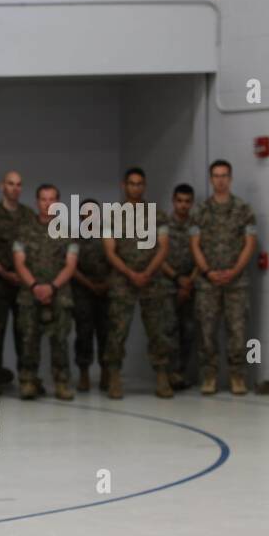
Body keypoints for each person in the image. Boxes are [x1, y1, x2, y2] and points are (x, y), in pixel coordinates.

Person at [101, 167, 176, 399]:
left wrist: (146, 273)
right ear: (124, 186)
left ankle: (163, 376)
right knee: (117, 331)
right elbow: (109, 251)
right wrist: (131, 274)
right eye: (132, 183)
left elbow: (163, 247)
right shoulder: (111, 215)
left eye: (140, 183)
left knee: (158, 331)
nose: (136, 187)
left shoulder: (158, 215)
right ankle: (114, 376)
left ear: (144, 186)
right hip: (123, 281)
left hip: (152, 281)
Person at [191, 160, 258, 395]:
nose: (220, 180)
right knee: (206, 331)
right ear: (211, 179)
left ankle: (238, 376)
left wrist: (234, 271)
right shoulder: (199, 211)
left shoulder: (244, 209)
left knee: (239, 331)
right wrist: (208, 271)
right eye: (216, 176)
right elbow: (195, 245)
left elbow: (250, 245)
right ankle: (208, 376)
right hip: (208, 282)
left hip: (236, 282)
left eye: (224, 176)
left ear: (230, 178)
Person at [12, 184, 78, 400]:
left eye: (51, 199)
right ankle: (28, 381)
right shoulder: (25, 230)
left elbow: (70, 265)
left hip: (60, 294)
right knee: (28, 339)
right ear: (37, 201)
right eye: (43, 199)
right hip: (29, 294)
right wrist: (35, 286)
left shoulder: (67, 232)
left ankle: (61, 382)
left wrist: (52, 287)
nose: (47, 203)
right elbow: (19, 262)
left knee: (60, 340)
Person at [0, 171, 37, 388]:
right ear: (2, 186)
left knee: (24, 331)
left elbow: (34, 247)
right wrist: (5, 272)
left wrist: (22, 273)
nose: (14, 188)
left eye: (18, 184)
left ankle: (27, 377)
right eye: (10, 184)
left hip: (23, 282)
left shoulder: (28, 215)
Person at [158, 184, 199, 389]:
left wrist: (188, 282)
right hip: (167, 283)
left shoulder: (197, 225)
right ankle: (169, 373)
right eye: (179, 201)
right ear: (173, 201)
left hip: (191, 285)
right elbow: (157, 256)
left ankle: (180, 372)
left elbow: (203, 254)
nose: (183, 205)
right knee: (169, 330)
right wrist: (176, 278)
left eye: (187, 201)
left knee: (189, 331)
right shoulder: (163, 223)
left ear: (191, 203)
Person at [70, 198, 110, 392]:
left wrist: (106, 283)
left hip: (106, 290)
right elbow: (71, 267)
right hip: (83, 291)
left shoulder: (108, 235)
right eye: (86, 213)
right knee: (83, 333)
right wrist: (90, 285)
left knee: (106, 333)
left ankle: (106, 373)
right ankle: (84, 373)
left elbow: (116, 259)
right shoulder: (74, 238)